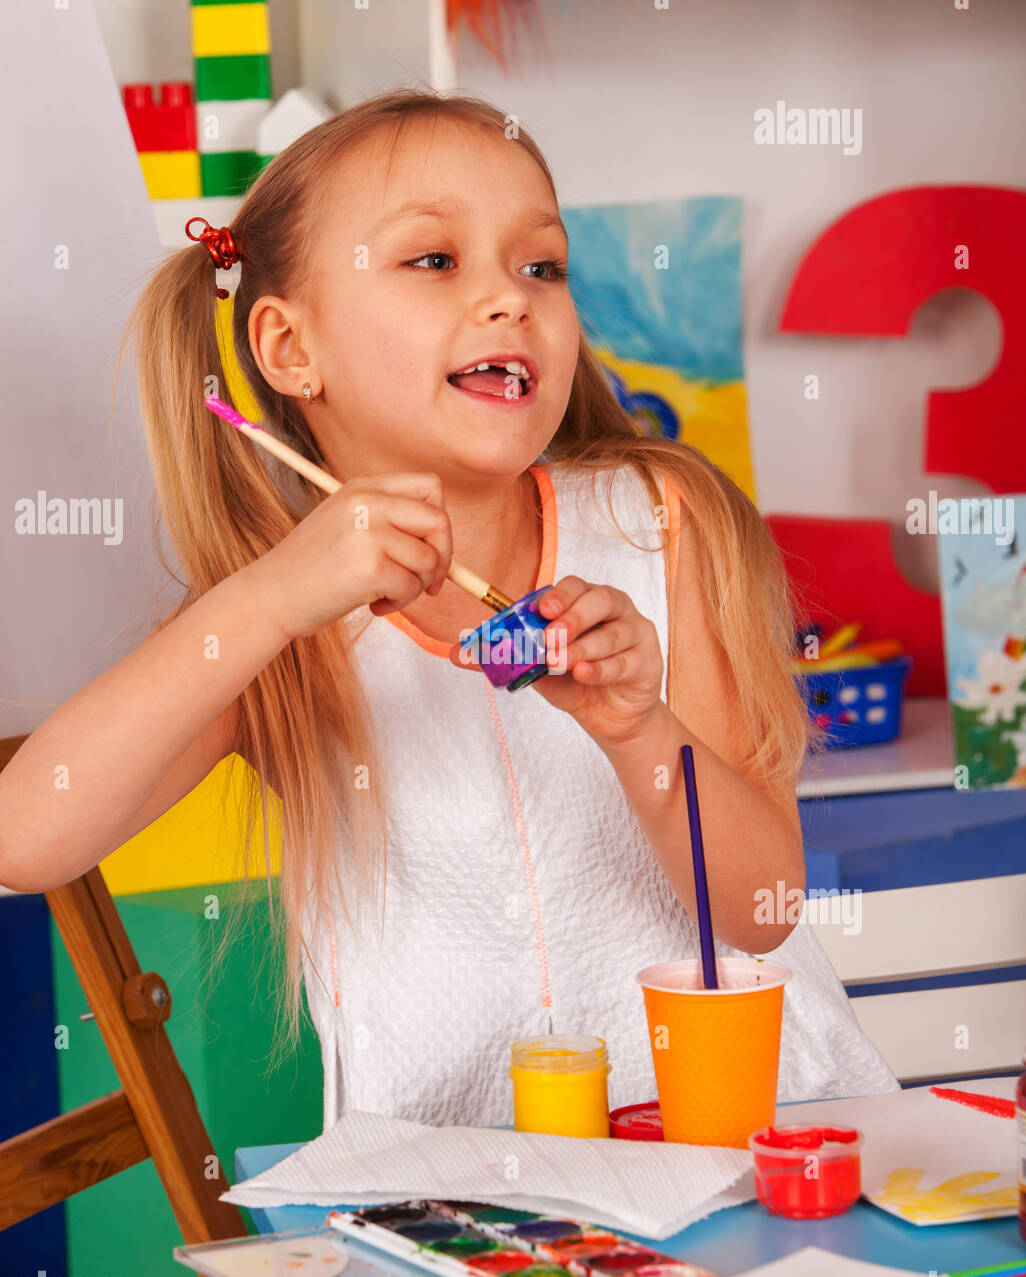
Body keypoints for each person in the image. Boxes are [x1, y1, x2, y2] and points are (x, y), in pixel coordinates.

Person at [0, 88, 897, 1131]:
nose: (510, 298)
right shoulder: (274, 625)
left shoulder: (664, 521)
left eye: (542, 266)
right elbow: (26, 839)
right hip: (467, 1215)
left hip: (747, 1151)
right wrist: (268, 598)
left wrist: (640, 728)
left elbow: (764, 912)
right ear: (291, 350)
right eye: (435, 261)